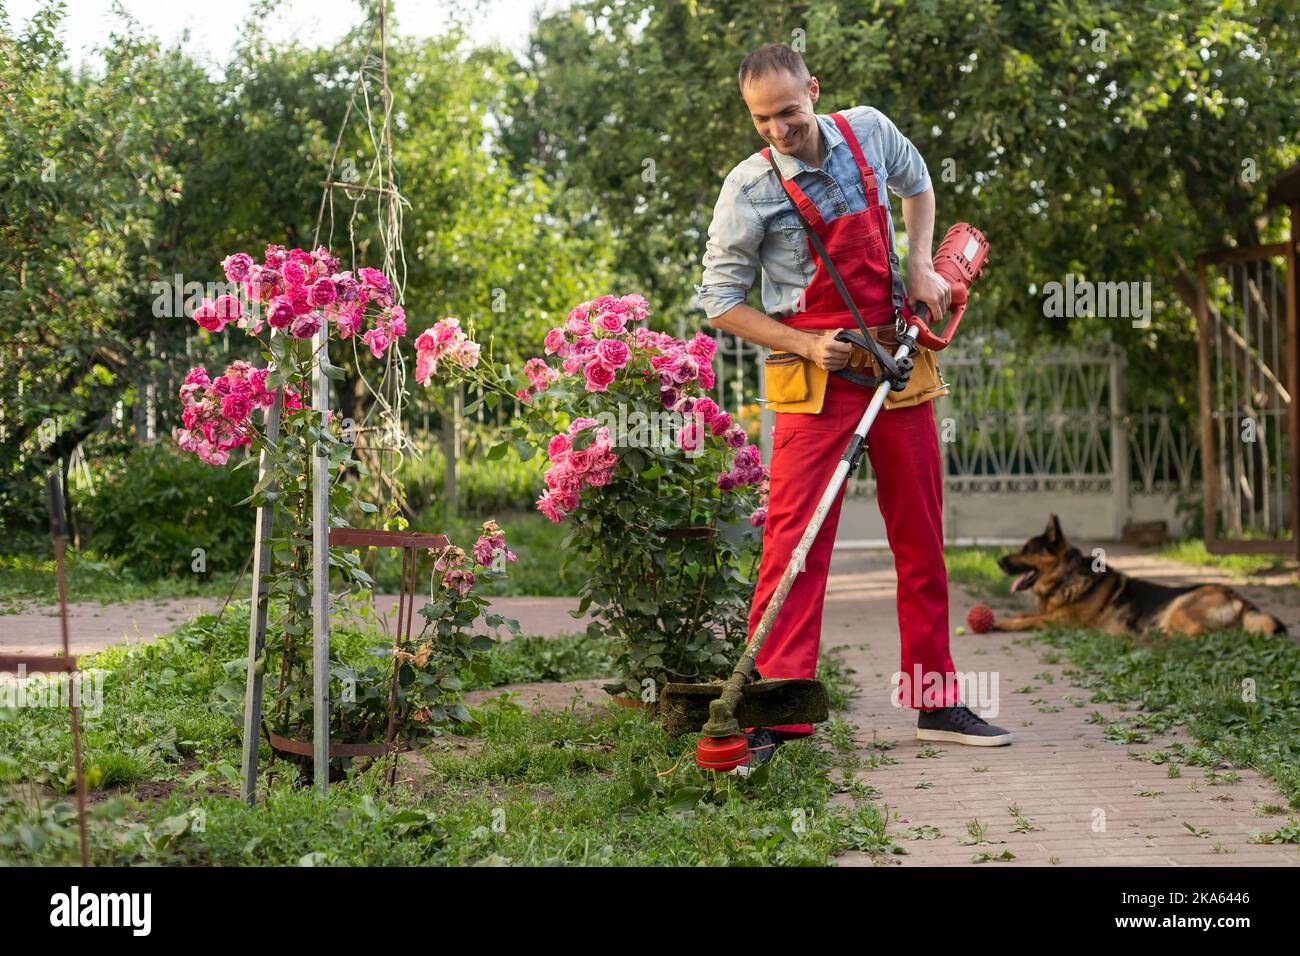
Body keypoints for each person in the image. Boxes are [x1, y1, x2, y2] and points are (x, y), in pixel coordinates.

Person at [695, 43, 1012, 765]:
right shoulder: (747, 190)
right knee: (794, 550)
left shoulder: (868, 129)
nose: (779, 130)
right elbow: (719, 302)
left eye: (790, 113)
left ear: (814, 90)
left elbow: (919, 183)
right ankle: (780, 710)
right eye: (762, 119)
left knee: (921, 542)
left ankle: (936, 703)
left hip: (897, 362)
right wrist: (806, 347)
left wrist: (922, 264)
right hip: (815, 379)